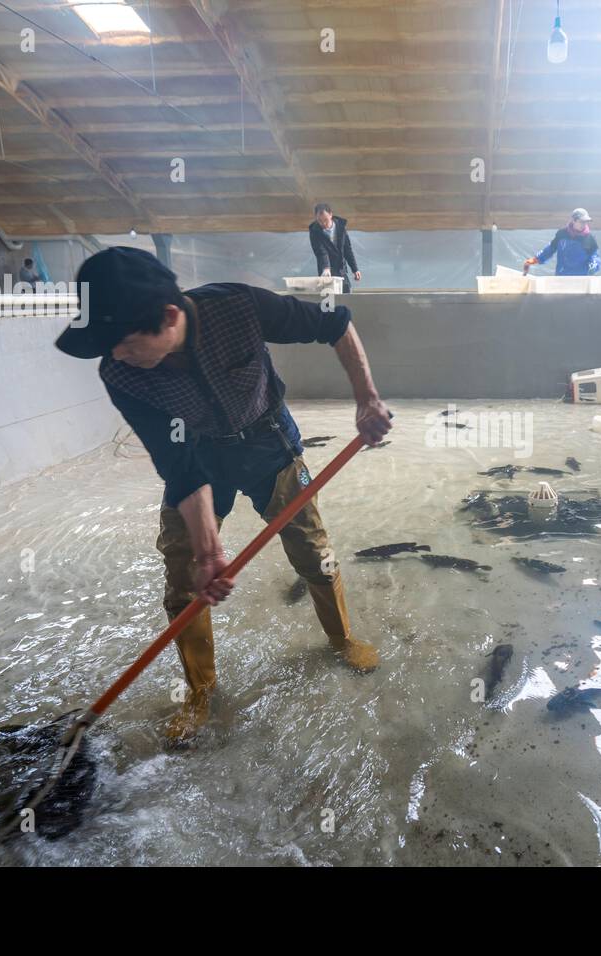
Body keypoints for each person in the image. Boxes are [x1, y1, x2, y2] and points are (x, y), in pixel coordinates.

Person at [54, 247, 391, 744]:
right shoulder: (121, 374)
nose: (115, 356)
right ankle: (200, 691)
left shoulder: (239, 307)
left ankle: (342, 641)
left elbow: (335, 323)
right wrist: (209, 552)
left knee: (314, 553)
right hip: (197, 456)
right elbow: (178, 463)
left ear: (168, 317)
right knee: (183, 574)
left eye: (122, 343)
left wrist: (367, 399)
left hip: (268, 443)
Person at [523, 208, 601, 276]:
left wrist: (594, 266)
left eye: (586, 222)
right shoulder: (562, 234)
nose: (584, 224)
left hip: (581, 278)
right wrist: (536, 259)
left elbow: (594, 255)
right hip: (562, 276)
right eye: (581, 221)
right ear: (573, 220)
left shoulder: (590, 238)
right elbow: (551, 248)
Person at [308, 203, 361, 292]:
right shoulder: (314, 230)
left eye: (326, 220)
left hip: (341, 268)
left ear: (331, 215)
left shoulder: (340, 227)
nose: (323, 223)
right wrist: (326, 268)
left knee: (346, 293)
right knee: (329, 299)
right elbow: (321, 252)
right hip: (326, 271)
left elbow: (347, 249)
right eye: (320, 221)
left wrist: (355, 269)